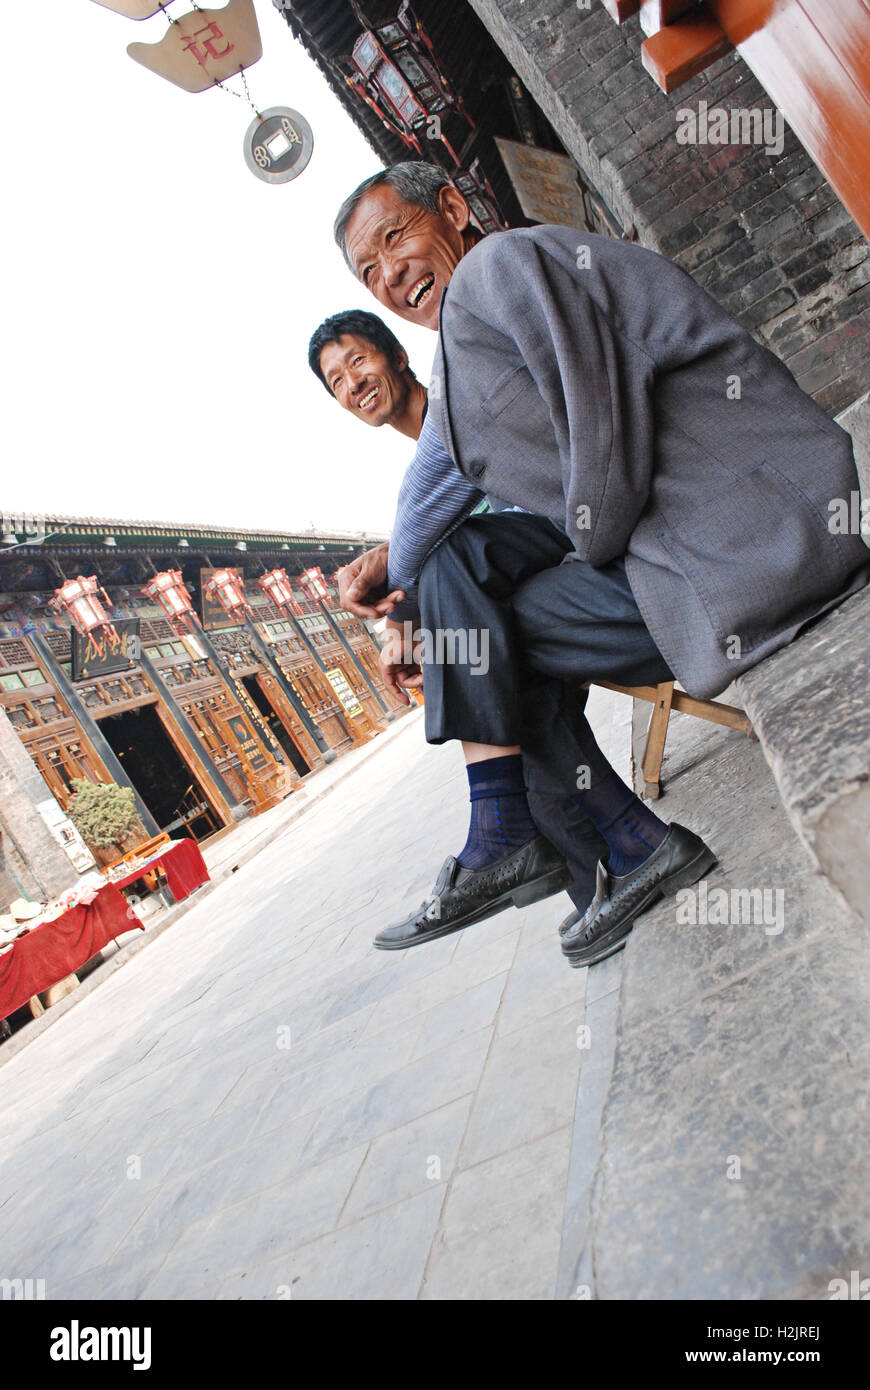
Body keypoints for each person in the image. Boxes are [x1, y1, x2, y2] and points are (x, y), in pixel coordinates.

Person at [330, 161, 870, 968]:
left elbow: (603, 434)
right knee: (467, 607)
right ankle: (594, 840)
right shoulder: (472, 341)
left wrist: (418, 610)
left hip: (751, 531)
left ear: (452, 205)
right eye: (368, 271)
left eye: (395, 237)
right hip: (703, 546)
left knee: (478, 623)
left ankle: (540, 833)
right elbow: (444, 495)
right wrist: (414, 607)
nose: (390, 273)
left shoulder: (498, 267)